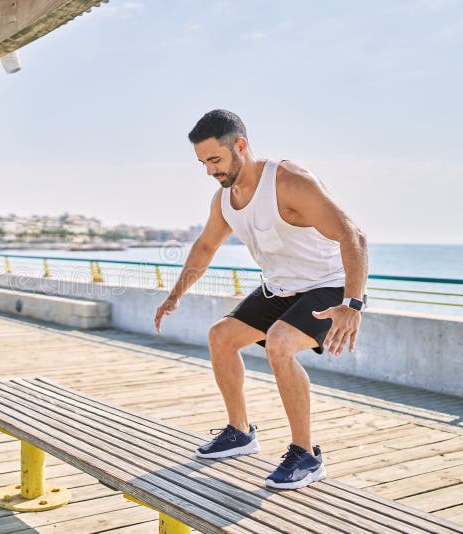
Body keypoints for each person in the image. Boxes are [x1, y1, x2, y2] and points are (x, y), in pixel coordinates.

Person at [154, 110, 368, 490]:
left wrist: (353, 305)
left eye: (215, 160)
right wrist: (174, 295)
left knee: (280, 342)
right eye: (203, 163)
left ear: (241, 146)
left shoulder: (290, 182)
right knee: (221, 336)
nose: (210, 171)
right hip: (280, 286)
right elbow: (205, 246)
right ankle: (240, 433)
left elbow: (354, 236)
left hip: (328, 285)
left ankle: (306, 455)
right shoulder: (224, 200)